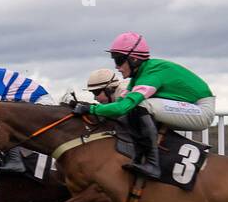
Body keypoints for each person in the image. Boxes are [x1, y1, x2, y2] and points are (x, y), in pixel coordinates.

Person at [72, 33, 215, 179]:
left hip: (201, 110)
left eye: (119, 60)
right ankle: (140, 158)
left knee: (141, 106)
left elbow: (122, 108)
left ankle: (152, 165)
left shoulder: (152, 73)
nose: (117, 67)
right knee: (134, 110)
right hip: (189, 106)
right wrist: (89, 109)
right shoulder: (139, 75)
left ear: (134, 59)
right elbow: (120, 105)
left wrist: (90, 109)